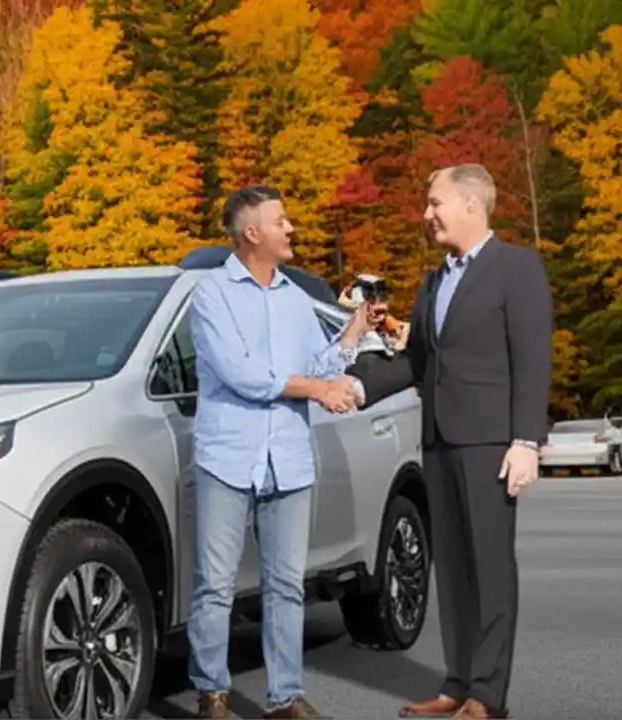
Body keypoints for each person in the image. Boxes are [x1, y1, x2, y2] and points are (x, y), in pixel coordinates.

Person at [347, 164, 553, 719]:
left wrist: (526, 441)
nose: (426, 213)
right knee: (455, 571)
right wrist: (354, 386)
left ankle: (488, 696)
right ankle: (458, 684)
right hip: (438, 440)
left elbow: (532, 361)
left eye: (434, 203)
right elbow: (418, 360)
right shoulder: (436, 279)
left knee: (490, 569)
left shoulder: (517, 268)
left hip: (491, 443)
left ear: (470, 204)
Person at [187, 185, 375, 719]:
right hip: (228, 458)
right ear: (252, 233)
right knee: (215, 586)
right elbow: (243, 376)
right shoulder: (212, 295)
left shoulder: (294, 297)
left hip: (288, 461)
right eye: (281, 221)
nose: (291, 229)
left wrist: (354, 331)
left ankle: (285, 697)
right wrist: (318, 390)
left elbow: (319, 365)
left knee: (287, 586)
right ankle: (213, 693)